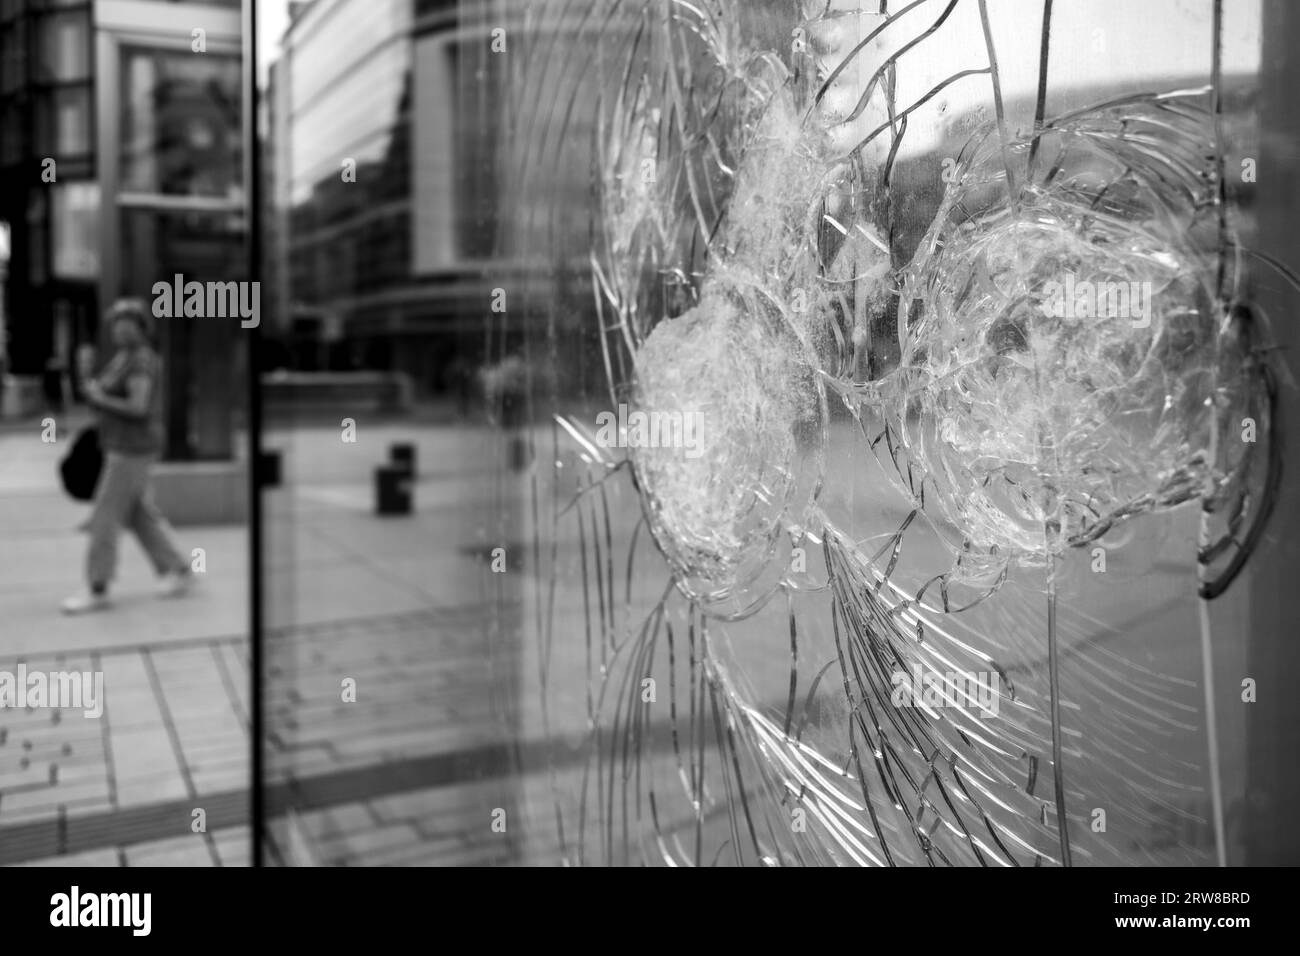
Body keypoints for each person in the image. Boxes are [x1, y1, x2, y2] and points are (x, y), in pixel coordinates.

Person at [62, 299, 193, 614]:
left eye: (127, 322)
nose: (119, 329)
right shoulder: (123, 359)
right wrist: (97, 394)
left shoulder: (141, 362)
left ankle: (98, 586)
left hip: (133, 449)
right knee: (137, 515)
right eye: (115, 323)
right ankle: (176, 568)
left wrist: (100, 398)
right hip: (119, 445)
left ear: (141, 327)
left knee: (105, 516)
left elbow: (139, 407)